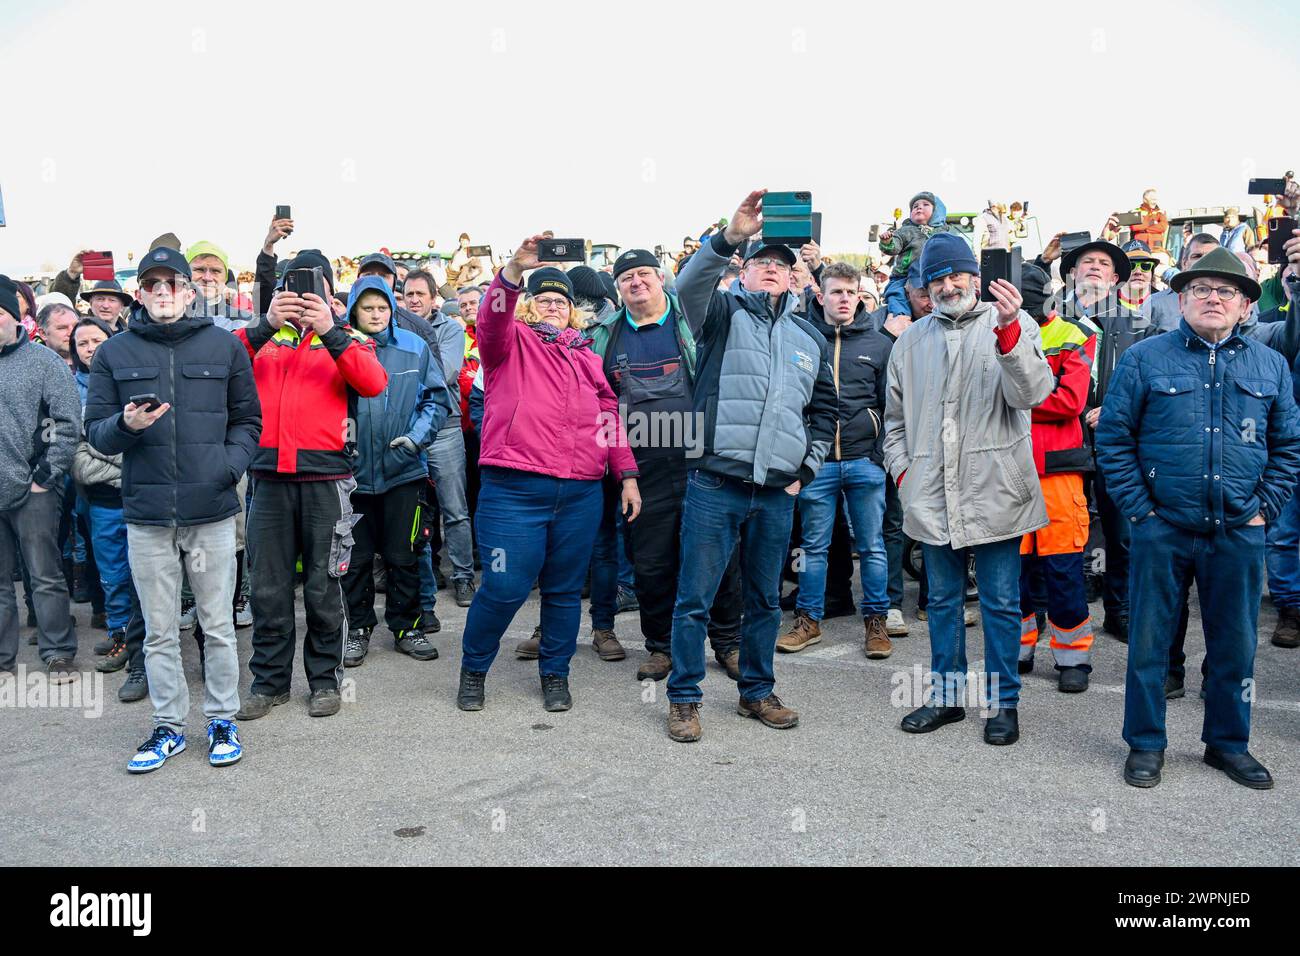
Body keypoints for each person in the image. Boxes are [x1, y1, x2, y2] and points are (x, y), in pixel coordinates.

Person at [1096, 247, 1300, 790]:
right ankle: (1145, 744)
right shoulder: (1145, 358)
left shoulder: (1270, 365)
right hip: (1163, 528)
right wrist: (1141, 511)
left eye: (1226, 291)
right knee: (1149, 644)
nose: (1214, 298)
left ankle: (1228, 745)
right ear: (1181, 299)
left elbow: (1288, 445)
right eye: (1202, 289)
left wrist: (1265, 507)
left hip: (1238, 531)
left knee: (1235, 645)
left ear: (1245, 307)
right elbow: (1114, 438)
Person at [663, 190, 838, 743]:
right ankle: (684, 698)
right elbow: (686, 289)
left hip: (774, 493)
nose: (771, 270)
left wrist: (804, 472)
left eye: (781, 266)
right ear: (745, 271)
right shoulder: (720, 312)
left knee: (765, 600)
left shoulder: (810, 335)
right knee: (695, 598)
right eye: (761, 261)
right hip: (715, 483)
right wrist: (729, 238)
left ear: (792, 279)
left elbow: (825, 410)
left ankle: (756, 693)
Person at [84, 248, 261, 773]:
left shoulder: (224, 347)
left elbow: (248, 421)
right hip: (147, 514)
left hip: (211, 510)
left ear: (190, 291)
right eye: (152, 283)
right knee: (160, 629)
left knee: (217, 624)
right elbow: (96, 432)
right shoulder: (113, 354)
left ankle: (222, 719)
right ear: (139, 292)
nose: (163, 291)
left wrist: (226, 469)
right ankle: (168, 727)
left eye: (172, 282)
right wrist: (126, 428)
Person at [883, 233, 1053, 747]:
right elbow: (893, 422)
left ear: (976, 278)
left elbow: (1034, 393)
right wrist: (904, 474)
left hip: (994, 488)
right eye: (937, 278)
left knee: (1001, 602)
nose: (948, 284)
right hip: (930, 490)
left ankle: (1004, 704)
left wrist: (1007, 336)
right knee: (942, 601)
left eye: (957, 274)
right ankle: (946, 697)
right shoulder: (910, 341)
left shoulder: (1013, 323)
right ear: (925, 287)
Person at [457, 238, 640, 714]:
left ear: (573, 310)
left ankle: (555, 673)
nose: (554, 306)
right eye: (544, 299)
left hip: (579, 495)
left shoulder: (588, 358)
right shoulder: (508, 343)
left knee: (562, 593)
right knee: (502, 587)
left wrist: (627, 475)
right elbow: (491, 319)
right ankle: (474, 668)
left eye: (561, 301)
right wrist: (515, 269)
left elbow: (609, 419)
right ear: (528, 305)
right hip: (513, 491)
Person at [233, 252, 388, 721]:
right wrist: (265, 325)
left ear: (328, 292)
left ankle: (325, 681)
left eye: (312, 287)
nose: (301, 297)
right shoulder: (260, 338)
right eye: (291, 286)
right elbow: (221, 368)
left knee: (324, 586)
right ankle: (269, 682)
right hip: (267, 479)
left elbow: (373, 383)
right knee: (267, 588)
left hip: (327, 481)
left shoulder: (347, 339)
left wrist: (331, 331)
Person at [585, 248, 743, 681]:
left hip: (700, 461)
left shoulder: (692, 319)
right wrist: (620, 472)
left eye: (643, 274)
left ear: (661, 278)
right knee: (651, 562)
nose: (636, 282)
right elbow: (600, 405)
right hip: (641, 468)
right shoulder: (604, 334)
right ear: (617, 288)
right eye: (626, 277)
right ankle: (661, 647)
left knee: (719, 557)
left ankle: (728, 643)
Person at [778, 261, 894, 658]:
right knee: (813, 547)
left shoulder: (880, 343)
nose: (845, 299)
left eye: (852, 292)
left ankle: (876, 621)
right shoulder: (803, 338)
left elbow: (891, 406)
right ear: (820, 295)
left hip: (865, 461)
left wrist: (879, 457)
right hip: (819, 463)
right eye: (837, 292)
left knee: (873, 546)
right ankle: (808, 620)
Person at [339, 276, 451, 666]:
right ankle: (357, 628)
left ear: (392, 309)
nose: (375, 314)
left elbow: (437, 401)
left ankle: (407, 626)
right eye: (367, 308)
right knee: (355, 559)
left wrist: (417, 439)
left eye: (382, 307)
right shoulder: (339, 348)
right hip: (351, 478)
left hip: (403, 472)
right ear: (354, 310)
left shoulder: (414, 347)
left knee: (405, 554)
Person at [1013, 262, 1097, 692]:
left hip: (1059, 472)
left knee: (1063, 568)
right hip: (1008, 470)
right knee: (1014, 570)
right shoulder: (994, 331)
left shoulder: (1075, 334)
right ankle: (1020, 645)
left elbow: (1070, 401)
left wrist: (1015, 397)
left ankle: (1073, 658)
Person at [0, 275, 81, 684]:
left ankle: (58, 652)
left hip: (33, 488)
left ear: (15, 317)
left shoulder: (42, 361)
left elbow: (67, 422)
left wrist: (45, 477)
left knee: (44, 574)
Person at [402, 268, 476, 607]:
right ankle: (422, 576)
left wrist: (401, 370)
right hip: (405, 428)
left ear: (434, 298)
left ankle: (463, 576)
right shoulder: (393, 325)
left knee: (455, 509)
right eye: (408, 294)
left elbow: (443, 373)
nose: (414, 300)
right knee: (412, 510)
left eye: (420, 294)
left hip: (444, 429)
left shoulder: (451, 330)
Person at [878, 190, 954, 321]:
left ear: (937, 212)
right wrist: (887, 242)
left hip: (934, 274)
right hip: (904, 276)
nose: (919, 207)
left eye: (925, 204)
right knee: (895, 294)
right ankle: (901, 319)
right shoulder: (906, 231)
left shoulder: (944, 234)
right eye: (915, 206)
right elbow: (895, 245)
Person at [35, 302, 78, 370]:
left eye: (76, 326)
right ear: (43, 333)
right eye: (62, 328)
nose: (71, 333)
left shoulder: (95, 362)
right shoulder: (33, 367)